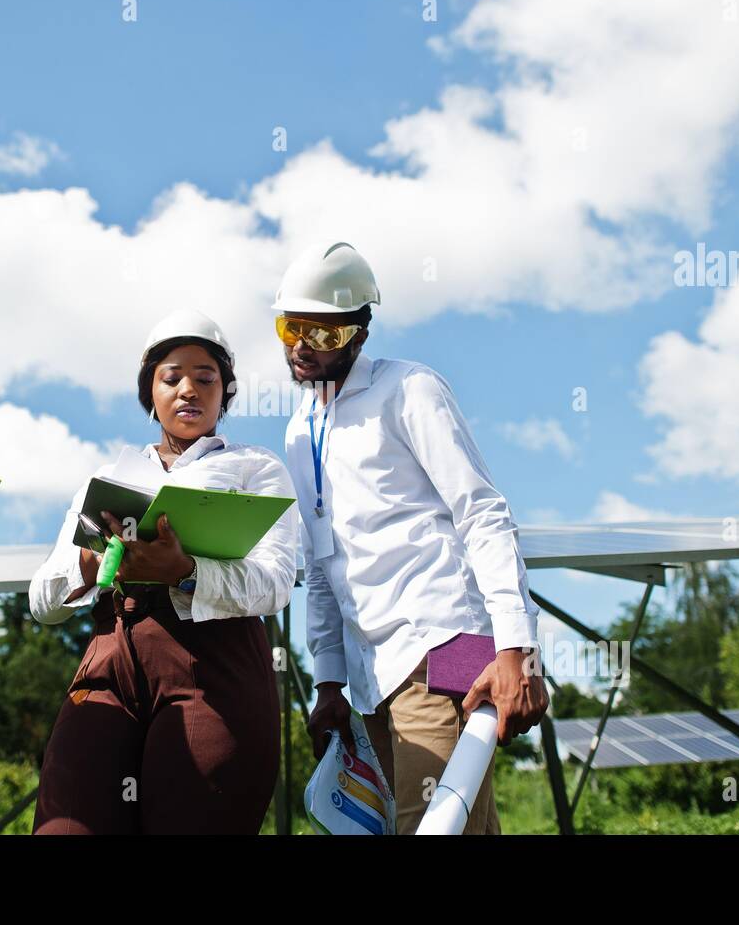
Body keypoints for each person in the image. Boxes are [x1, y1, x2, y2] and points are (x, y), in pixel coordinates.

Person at [277, 242, 549, 835]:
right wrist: (328, 682)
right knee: (459, 827)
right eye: (290, 326)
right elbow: (321, 566)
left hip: (446, 645)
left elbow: (482, 512)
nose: (301, 344)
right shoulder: (300, 431)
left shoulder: (410, 390)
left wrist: (516, 650)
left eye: (321, 333)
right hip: (373, 678)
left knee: (429, 825)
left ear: (360, 330)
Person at [30, 310, 298, 835]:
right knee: (66, 824)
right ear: (149, 391)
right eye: (171, 377)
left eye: (206, 378)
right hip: (112, 650)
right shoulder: (107, 475)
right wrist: (90, 555)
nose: (188, 391)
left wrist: (185, 571)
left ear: (227, 391)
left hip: (213, 665)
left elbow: (275, 583)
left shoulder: (256, 468)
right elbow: (43, 601)